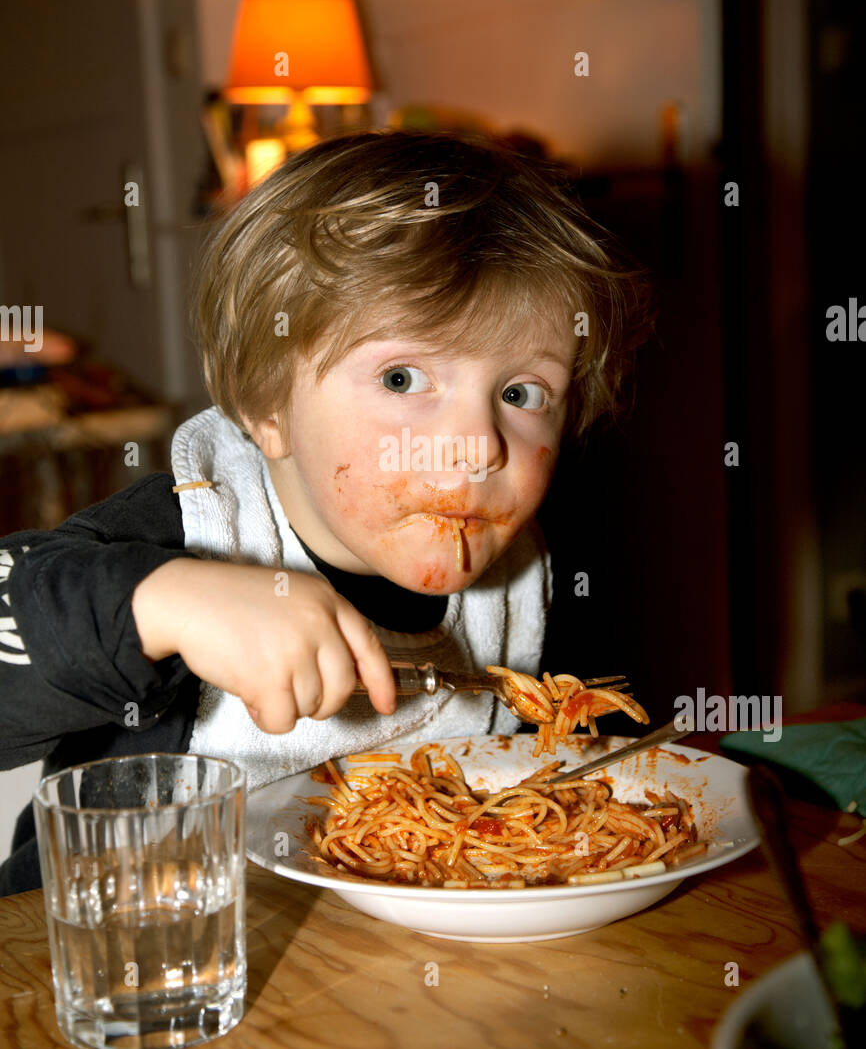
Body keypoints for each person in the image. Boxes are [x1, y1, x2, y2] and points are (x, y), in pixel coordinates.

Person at [0, 130, 652, 894]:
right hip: (110, 966)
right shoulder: (193, 531)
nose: (478, 446)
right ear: (268, 405)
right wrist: (160, 603)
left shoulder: (526, 577)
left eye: (520, 394)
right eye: (404, 378)